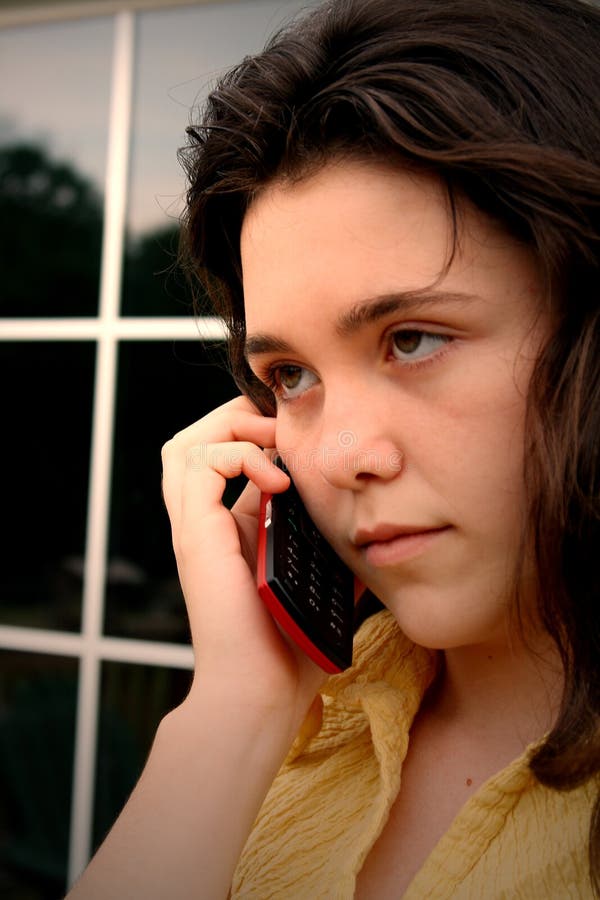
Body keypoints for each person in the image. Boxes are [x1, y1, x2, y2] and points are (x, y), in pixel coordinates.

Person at [67, 0, 599, 896]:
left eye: (412, 340)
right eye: (290, 375)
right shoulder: (299, 732)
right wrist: (237, 716)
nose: (341, 456)